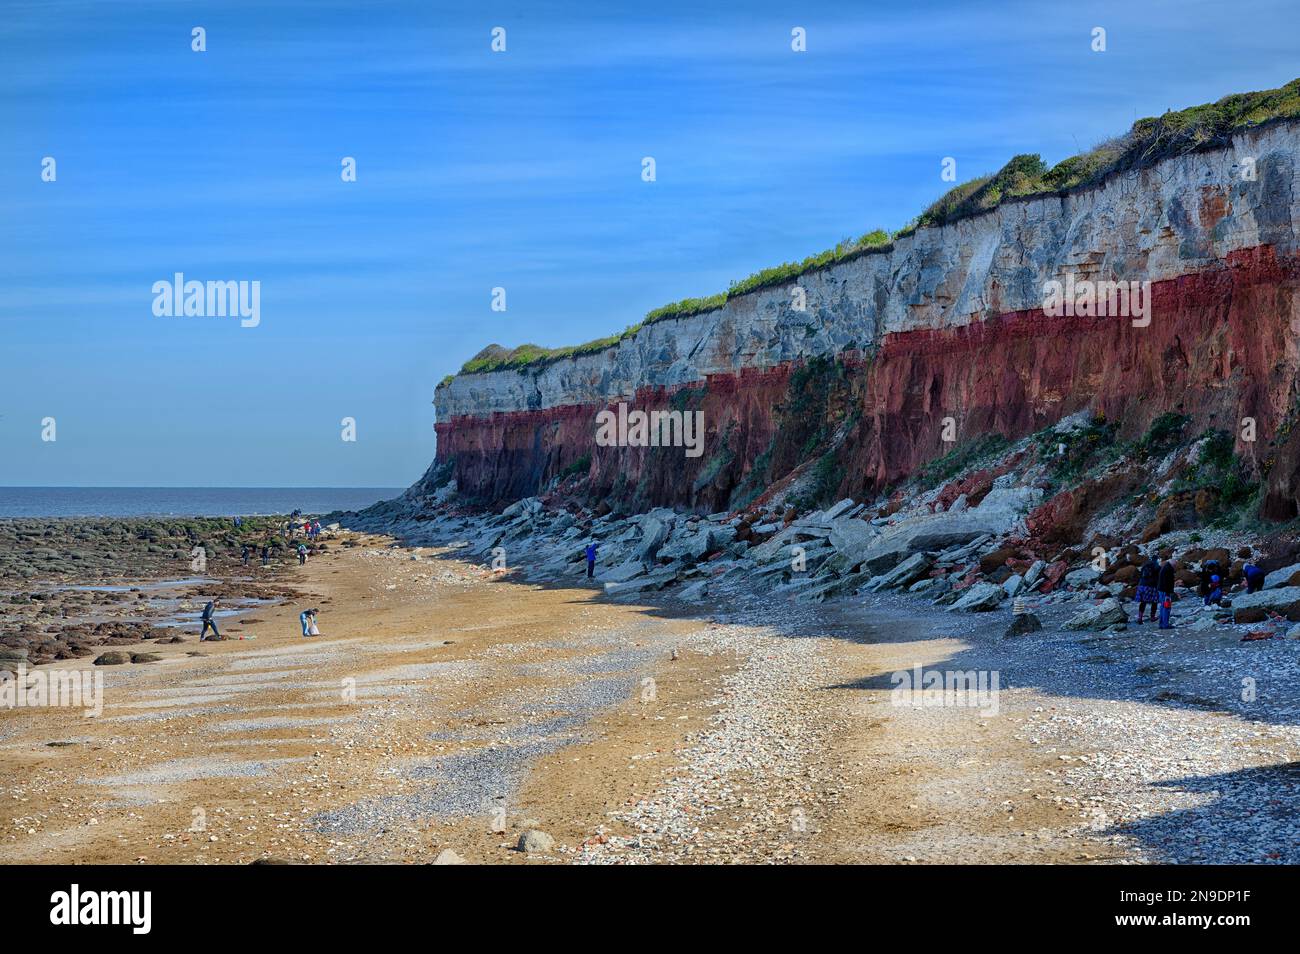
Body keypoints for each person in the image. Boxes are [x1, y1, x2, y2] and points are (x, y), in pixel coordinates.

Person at [1135, 551, 1160, 623]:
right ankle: (1152, 617)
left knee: (1143, 602)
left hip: (1142, 585)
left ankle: (1140, 617)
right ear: (1156, 559)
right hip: (1151, 586)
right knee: (1154, 602)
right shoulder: (1156, 565)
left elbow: (1140, 575)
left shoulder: (1145, 565)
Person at [1157, 551, 1177, 630]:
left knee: (1163, 607)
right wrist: (1168, 593)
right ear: (1173, 565)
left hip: (1161, 590)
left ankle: (1162, 623)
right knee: (1166, 607)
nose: (1175, 568)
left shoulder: (1165, 568)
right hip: (1165, 591)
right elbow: (1168, 582)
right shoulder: (1169, 570)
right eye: (1175, 566)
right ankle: (1165, 624)